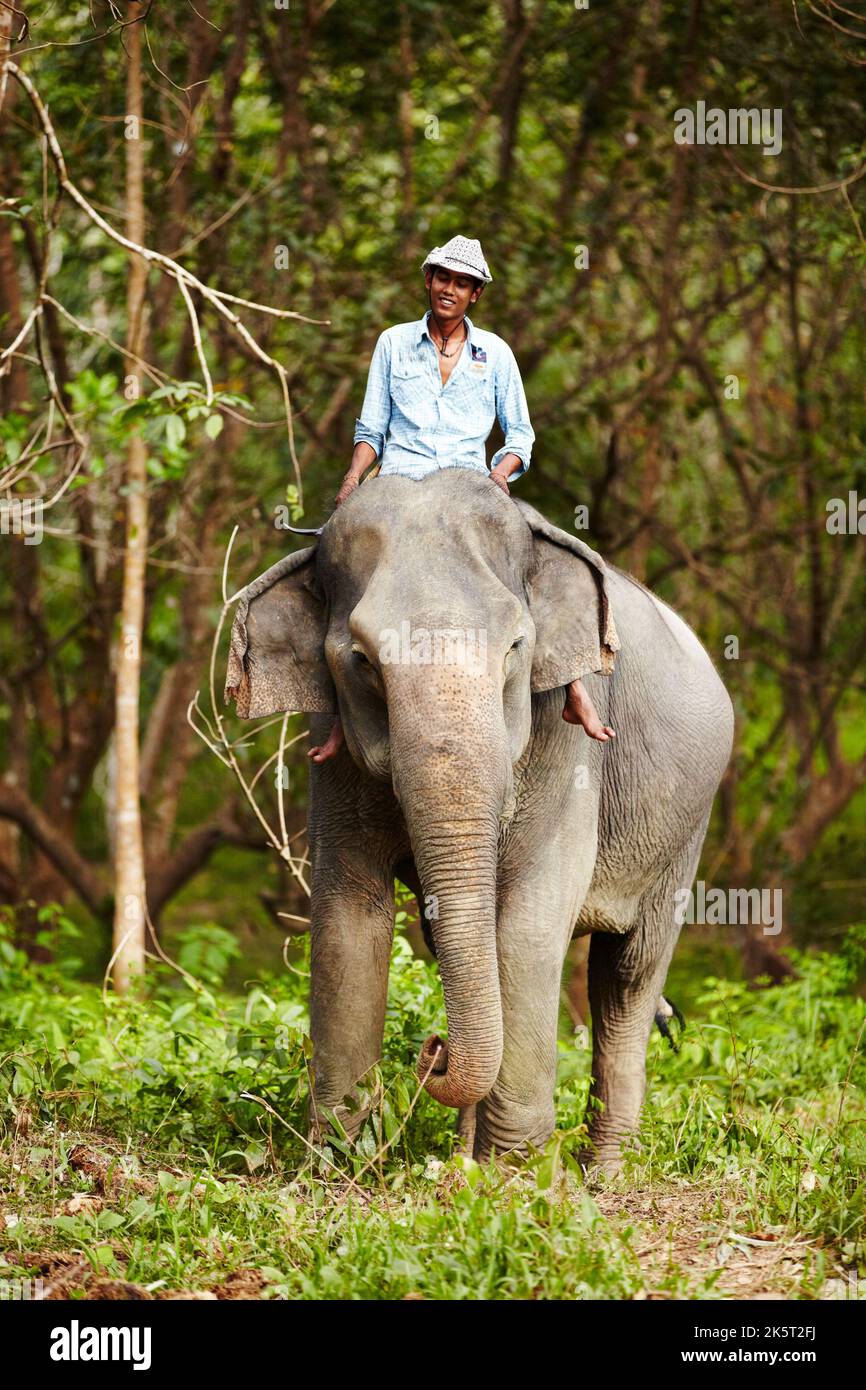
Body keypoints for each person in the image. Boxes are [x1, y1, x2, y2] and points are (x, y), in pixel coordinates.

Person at [309, 235, 615, 762]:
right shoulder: (393, 343)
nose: (449, 289)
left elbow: (520, 434)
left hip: (471, 487)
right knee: (334, 570)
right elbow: (371, 428)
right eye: (443, 278)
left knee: (537, 563)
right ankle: (339, 718)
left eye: (462, 283)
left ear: (475, 294)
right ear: (428, 281)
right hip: (398, 486)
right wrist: (352, 478)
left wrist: (501, 474)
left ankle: (573, 690)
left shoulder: (494, 353)